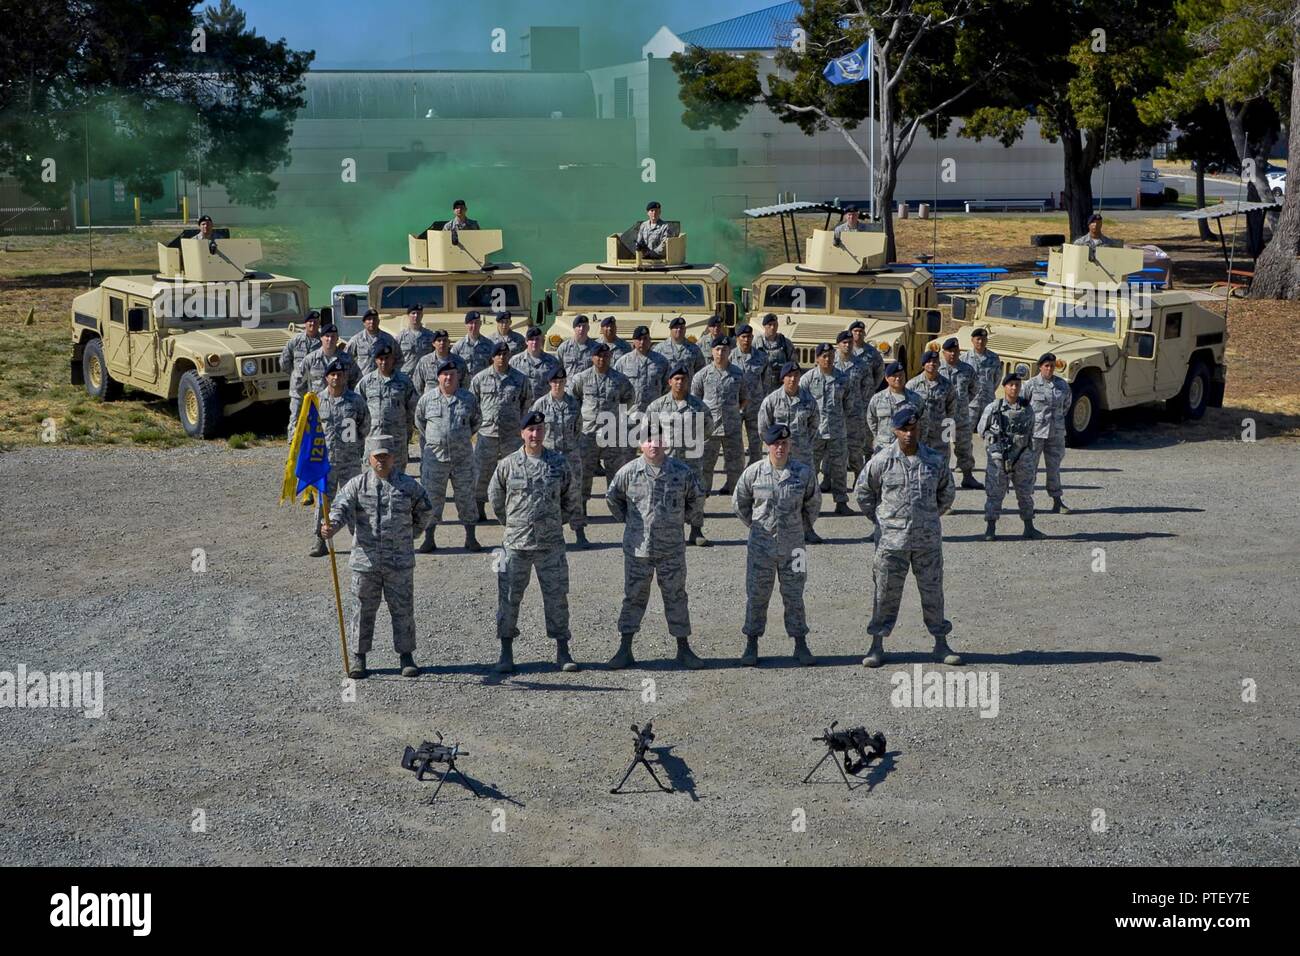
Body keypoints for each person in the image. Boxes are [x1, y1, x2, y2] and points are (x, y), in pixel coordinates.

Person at [855, 406, 961, 669]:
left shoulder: (934, 460)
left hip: (927, 543)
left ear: (919, 429)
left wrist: (928, 518)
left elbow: (947, 493)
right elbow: (864, 493)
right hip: (892, 544)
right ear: (894, 430)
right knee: (884, 595)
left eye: (913, 429)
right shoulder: (881, 461)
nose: (909, 434)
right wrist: (883, 522)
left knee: (933, 593)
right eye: (903, 429)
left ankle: (941, 644)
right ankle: (876, 646)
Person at [322, 434, 434, 680]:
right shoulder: (357, 485)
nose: (381, 461)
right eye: (377, 457)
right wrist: (330, 526)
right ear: (368, 458)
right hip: (366, 562)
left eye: (385, 456)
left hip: (399, 563)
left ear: (393, 457)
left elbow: (425, 510)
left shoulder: (408, 485)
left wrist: (411, 534)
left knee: (403, 609)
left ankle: (406, 656)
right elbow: (340, 508)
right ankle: (359, 658)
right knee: (362, 610)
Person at [488, 410, 583, 674]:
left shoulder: (558, 463)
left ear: (544, 432)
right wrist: (512, 524)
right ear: (522, 433)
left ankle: (563, 651)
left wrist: (554, 523)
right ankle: (506, 652)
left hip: (550, 544)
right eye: (530, 430)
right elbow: (496, 499)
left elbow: (571, 496)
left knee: (557, 598)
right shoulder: (507, 465)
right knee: (508, 598)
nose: (535, 434)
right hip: (516, 545)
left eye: (539, 430)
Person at [605, 432, 706, 670]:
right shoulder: (628, 472)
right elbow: (612, 498)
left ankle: (683, 649)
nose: (654, 445)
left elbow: (697, 499)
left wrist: (681, 521)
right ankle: (625, 649)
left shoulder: (681, 472)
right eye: (649, 440)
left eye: (659, 440)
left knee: (676, 597)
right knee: (633, 598)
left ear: (667, 443)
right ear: (641, 444)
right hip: (638, 550)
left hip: (671, 550)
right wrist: (631, 524)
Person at [732, 423, 820, 667]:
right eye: (775, 444)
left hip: (795, 548)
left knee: (795, 596)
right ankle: (751, 643)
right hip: (761, 547)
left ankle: (800, 643)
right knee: (757, 596)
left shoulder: (803, 473)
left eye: (784, 443)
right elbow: (740, 504)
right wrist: (759, 529)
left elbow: (813, 505)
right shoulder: (754, 473)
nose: (779, 448)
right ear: (767, 446)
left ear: (789, 445)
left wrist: (797, 530)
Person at [414, 359, 482, 554]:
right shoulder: (427, 400)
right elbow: (419, 423)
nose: (448, 378)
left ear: (458, 377)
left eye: (452, 374)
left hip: (462, 459)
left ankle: (471, 538)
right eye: (445, 375)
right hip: (435, 459)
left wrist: (458, 438)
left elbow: (476, 421)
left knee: (466, 497)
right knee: (432, 499)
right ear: (438, 377)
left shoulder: (468, 399)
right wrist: (438, 439)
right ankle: (429, 539)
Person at [645, 365, 713, 547]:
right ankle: (663, 532)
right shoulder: (657, 406)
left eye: (683, 379)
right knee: (662, 494)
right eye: (676, 379)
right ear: (669, 382)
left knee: (696, 495)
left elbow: (708, 428)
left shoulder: (698, 406)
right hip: (667, 461)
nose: (680, 382)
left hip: (692, 460)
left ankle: (696, 530)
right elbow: (648, 433)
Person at [310, 358, 370, 557]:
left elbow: (365, 425)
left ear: (345, 377)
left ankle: (358, 540)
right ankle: (320, 541)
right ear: (326, 377)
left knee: (354, 501)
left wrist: (355, 448)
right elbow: (311, 431)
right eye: (332, 374)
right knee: (323, 502)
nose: (336, 377)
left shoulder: (356, 401)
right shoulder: (317, 401)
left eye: (340, 374)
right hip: (324, 463)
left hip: (349, 461)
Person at [568, 342, 636, 513]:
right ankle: (581, 505)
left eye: (605, 356)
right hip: (588, 434)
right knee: (585, 471)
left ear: (610, 357)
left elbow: (629, 398)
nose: (602, 359)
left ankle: (617, 506)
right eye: (598, 356)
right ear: (592, 357)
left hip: (612, 433)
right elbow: (573, 400)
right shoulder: (581, 378)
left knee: (615, 471)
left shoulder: (619, 379)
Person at [471, 342, 532, 522]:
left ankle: (512, 508)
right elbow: (472, 405)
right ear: (492, 357)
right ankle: (479, 506)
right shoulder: (480, 379)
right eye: (498, 354)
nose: (502, 357)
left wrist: (518, 424)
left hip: (511, 435)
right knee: (482, 471)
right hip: (487, 433)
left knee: (513, 473)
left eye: (505, 354)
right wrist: (476, 429)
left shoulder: (520, 379)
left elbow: (526, 403)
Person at [977, 372, 1041, 540]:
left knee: (1025, 493)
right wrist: (993, 441)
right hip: (1000, 458)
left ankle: (1029, 527)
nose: (1014, 388)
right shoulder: (994, 407)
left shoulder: (1027, 408)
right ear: (1004, 387)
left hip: (1022, 457)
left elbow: (1031, 430)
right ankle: (990, 529)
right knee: (994, 493)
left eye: (1017, 385)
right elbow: (981, 430)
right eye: (1011, 384)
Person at [531, 365, 588, 548]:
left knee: (574, 495)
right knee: (547, 495)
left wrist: (570, 447)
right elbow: (533, 430)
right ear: (549, 383)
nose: (557, 385)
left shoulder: (573, 404)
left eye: (561, 382)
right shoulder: (540, 405)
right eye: (555, 381)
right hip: (549, 458)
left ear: (565, 383)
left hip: (571, 456)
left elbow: (578, 428)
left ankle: (579, 532)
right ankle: (549, 535)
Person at [691, 335, 748, 496]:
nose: (721, 353)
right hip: (710, 429)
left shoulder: (737, 374)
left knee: (735, 463)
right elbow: (695, 401)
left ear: (729, 351)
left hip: (732, 427)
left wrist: (735, 412)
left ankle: (734, 492)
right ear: (712, 351)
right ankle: (703, 492)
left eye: (724, 349)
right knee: (705, 464)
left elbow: (744, 397)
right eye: (717, 349)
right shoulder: (702, 375)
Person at [801, 344, 852, 516]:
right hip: (815, 433)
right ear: (816, 358)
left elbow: (848, 404)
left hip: (837, 431)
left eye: (830, 355)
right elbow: (801, 404)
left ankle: (841, 502)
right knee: (810, 469)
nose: (827, 359)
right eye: (823, 355)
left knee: (839, 469)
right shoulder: (807, 379)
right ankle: (809, 504)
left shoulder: (843, 379)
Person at [1021, 352, 1073, 513]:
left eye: (1052, 366)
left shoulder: (1062, 385)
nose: (1050, 369)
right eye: (1046, 366)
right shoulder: (1030, 385)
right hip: (1035, 434)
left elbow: (1066, 406)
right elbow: (1022, 407)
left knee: (1054, 468)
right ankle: (1026, 502)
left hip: (1055, 433)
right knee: (1030, 468)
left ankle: (1057, 501)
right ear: (1040, 367)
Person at [357, 342, 418, 473]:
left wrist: (407, 430)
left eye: (387, 358)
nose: (384, 362)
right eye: (381, 359)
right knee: (371, 479)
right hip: (373, 440)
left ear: (393, 359)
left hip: (397, 441)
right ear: (375, 360)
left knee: (398, 478)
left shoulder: (404, 381)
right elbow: (356, 410)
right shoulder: (366, 382)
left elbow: (413, 409)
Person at [937, 337, 982, 489]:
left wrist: (962, 403)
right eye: (949, 351)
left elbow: (975, 389)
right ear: (943, 353)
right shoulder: (937, 369)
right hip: (944, 418)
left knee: (964, 447)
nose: (952, 354)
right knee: (943, 449)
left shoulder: (967, 370)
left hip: (961, 417)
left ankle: (967, 476)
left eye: (955, 351)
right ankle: (942, 481)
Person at [293, 324, 359, 425]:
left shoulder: (347, 360)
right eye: (327, 336)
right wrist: (302, 409)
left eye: (333, 336)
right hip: (317, 410)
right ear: (321, 338)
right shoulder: (310, 360)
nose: (330, 339)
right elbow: (298, 385)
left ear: (337, 338)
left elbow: (356, 383)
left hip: (342, 411)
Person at [834, 330, 872, 482]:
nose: (847, 345)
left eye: (850, 342)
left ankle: (859, 478)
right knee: (833, 451)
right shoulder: (831, 363)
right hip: (835, 413)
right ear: (838, 345)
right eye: (844, 342)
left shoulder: (861, 365)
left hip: (855, 415)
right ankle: (829, 479)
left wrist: (861, 406)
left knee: (855, 449)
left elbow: (867, 387)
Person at [906, 349, 957, 455]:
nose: (932, 364)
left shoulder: (947, 385)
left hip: (940, 433)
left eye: (935, 361)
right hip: (919, 432)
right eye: (929, 361)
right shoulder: (912, 385)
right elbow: (906, 409)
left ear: (939, 364)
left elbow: (951, 409)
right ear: (923, 364)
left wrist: (946, 431)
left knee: (942, 462)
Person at [866, 361, 922, 454]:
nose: (898, 378)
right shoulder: (877, 399)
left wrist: (917, 441)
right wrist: (880, 437)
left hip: (908, 448)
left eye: (901, 375)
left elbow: (923, 422)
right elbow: (871, 420)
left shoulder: (915, 399)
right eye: (894, 376)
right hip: (884, 448)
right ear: (887, 378)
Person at [282, 309, 321, 436]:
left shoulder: (323, 341)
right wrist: (295, 375)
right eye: (310, 321)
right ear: (305, 324)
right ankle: (293, 444)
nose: (312, 324)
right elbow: (284, 362)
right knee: (296, 418)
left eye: (315, 322)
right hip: (298, 389)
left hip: (318, 388)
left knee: (319, 417)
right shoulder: (295, 341)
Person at [731, 324, 766, 463]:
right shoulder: (730, 357)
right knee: (735, 444)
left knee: (756, 443)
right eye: (743, 337)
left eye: (749, 337)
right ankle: (737, 476)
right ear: (737, 338)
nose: (746, 340)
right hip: (736, 406)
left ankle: (755, 471)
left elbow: (766, 381)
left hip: (755, 406)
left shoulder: (761, 357)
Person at [614, 325, 669, 412]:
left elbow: (667, 386)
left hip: (654, 411)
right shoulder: (623, 362)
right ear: (634, 342)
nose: (642, 342)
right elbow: (615, 387)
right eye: (639, 339)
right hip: (631, 412)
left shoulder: (661, 361)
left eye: (645, 338)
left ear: (650, 340)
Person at [961, 328, 1001, 439]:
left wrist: (989, 390)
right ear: (972, 340)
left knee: (988, 435)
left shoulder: (993, 358)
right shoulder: (964, 359)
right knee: (966, 435)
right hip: (971, 404)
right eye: (978, 339)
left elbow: (997, 379)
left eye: (983, 339)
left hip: (987, 402)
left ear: (986, 341)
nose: (980, 342)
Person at [347, 309, 402, 378]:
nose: (372, 322)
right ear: (364, 322)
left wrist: (392, 374)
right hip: (362, 380)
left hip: (382, 381)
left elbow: (399, 358)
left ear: (378, 321)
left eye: (374, 319)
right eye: (369, 319)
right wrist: (352, 375)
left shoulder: (388, 339)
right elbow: (345, 359)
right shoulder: (356, 340)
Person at [511, 325, 560, 401]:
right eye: (531, 339)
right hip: (522, 406)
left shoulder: (552, 361)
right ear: (526, 341)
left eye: (537, 339)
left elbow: (558, 384)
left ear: (542, 341)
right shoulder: (515, 361)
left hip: (544, 405)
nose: (534, 342)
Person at [411, 329, 466, 393]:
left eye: (445, 340)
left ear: (449, 343)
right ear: (433, 343)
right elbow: (417, 385)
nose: (442, 343)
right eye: (439, 340)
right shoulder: (424, 362)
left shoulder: (459, 361)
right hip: (431, 401)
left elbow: (465, 384)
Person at [654, 315, 706, 382]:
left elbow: (701, 371)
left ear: (685, 330)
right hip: (666, 390)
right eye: (676, 327)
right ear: (670, 329)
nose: (679, 330)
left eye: (682, 327)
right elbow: (653, 370)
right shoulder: (660, 348)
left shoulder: (694, 349)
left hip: (687, 389)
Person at [754, 313, 796, 394]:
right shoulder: (757, 343)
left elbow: (793, 364)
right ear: (764, 326)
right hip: (761, 387)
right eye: (769, 325)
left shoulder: (785, 343)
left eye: (775, 324)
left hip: (781, 386)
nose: (772, 327)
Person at [453, 310, 495, 379]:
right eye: (471, 323)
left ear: (480, 324)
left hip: (483, 383)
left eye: (476, 323)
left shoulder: (489, 344)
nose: (474, 326)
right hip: (465, 384)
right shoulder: (458, 346)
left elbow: (494, 366)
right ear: (466, 325)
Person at [397, 304, 435, 378]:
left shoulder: (430, 336)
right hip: (406, 376)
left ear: (422, 316)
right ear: (408, 315)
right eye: (413, 313)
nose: (416, 316)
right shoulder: (401, 337)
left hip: (425, 375)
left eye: (418, 313)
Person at [556, 314, 598, 378]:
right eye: (579, 326)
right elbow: (556, 369)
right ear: (574, 328)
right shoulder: (564, 348)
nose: (581, 329)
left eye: (584, 326)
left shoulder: (596, 347)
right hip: (569, 385)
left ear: (588, 328)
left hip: (588, 385)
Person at [848, 320, 884, 392]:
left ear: (864, 333)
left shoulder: (872, 352)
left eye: (861, 331)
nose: (858, 333)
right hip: (848, 393)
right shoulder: (845, 350)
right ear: (850, 332)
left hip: (865, 394)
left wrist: (872, 388)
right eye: (855, 331)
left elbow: (880, 372)